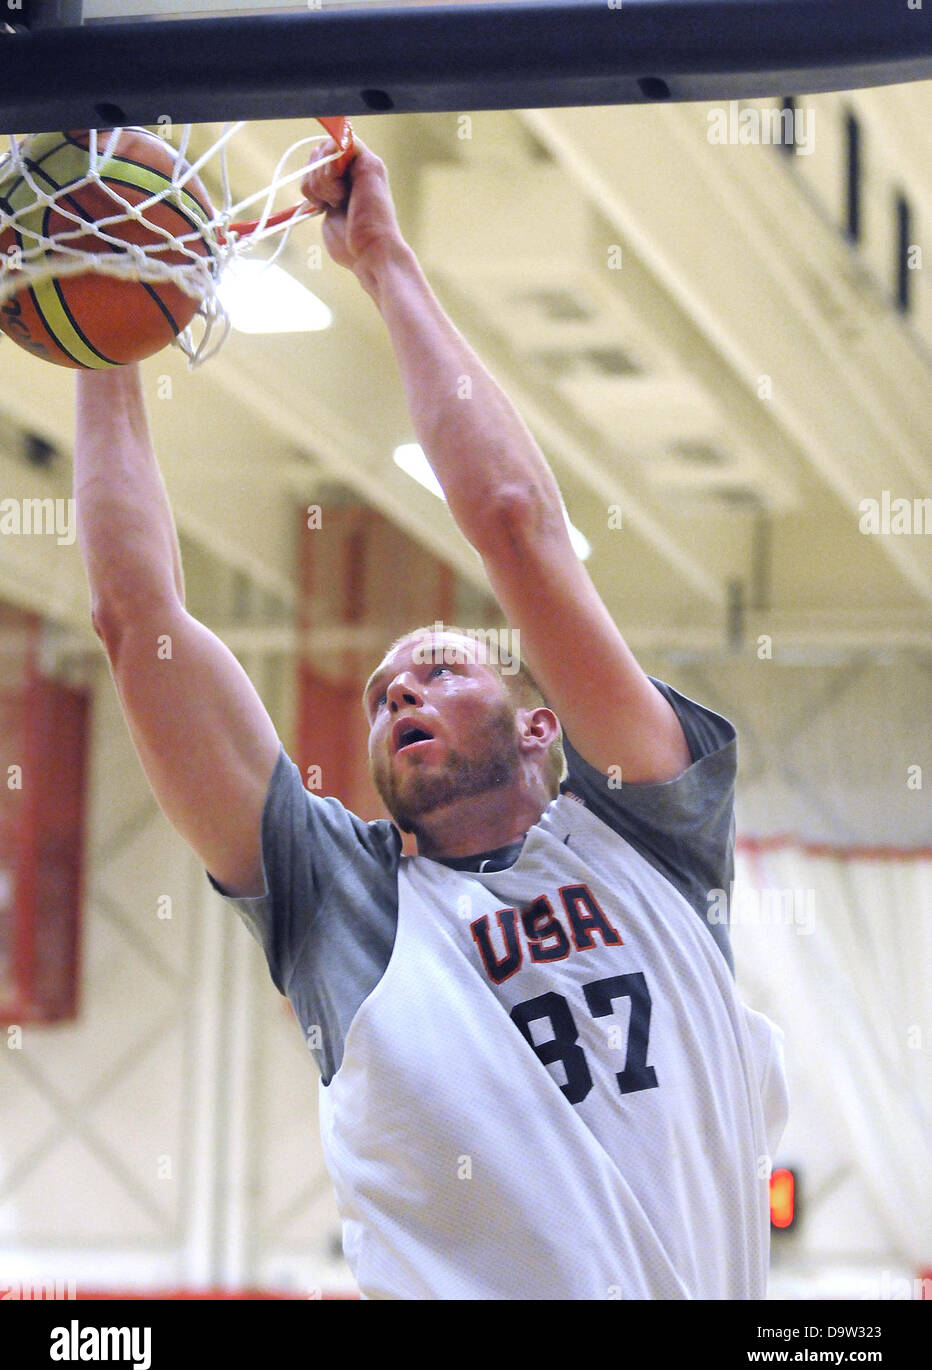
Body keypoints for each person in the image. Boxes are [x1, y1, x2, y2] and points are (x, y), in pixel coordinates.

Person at [74, 136, 787, 1300]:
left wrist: (385, 262)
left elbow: (516, 523)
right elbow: (134, 617)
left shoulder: (652, 826)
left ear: (543, 729)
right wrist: (103, 331)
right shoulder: (336, 901)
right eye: (380, 694)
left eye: (442, 670)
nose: (397, 690)